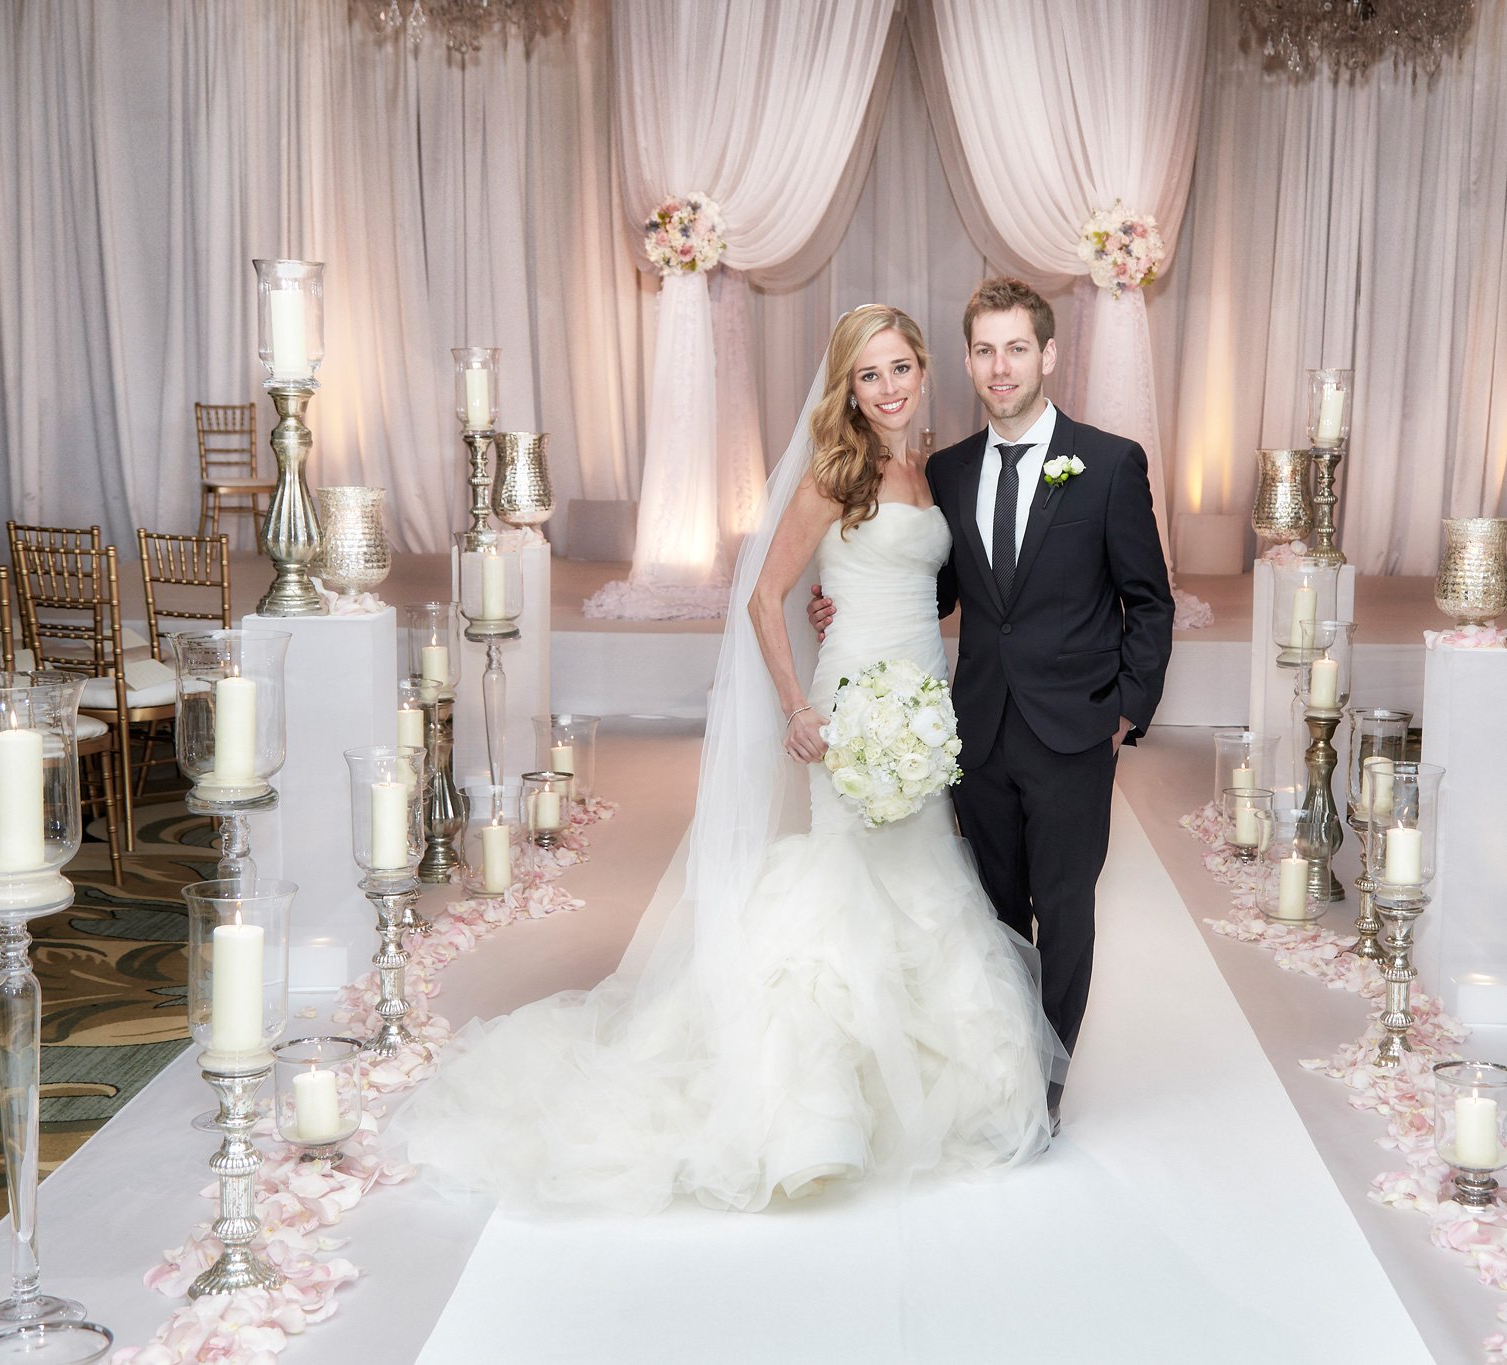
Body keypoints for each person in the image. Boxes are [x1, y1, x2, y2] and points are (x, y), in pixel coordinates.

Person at [392, 305, 1062, 1214]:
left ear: (923, 368)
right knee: (842, 884)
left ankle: (937, 1090)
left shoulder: (932, 467)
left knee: (927, 883)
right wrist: (798, 706)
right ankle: (817, 1115)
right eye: (869, 375)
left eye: (900, 367)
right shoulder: (834, 472)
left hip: (924, 708)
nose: (890, 387)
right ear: (848, 387)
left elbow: (936, 584)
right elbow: (763, 597)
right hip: (850, 709)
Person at [810, 279, 1174, 1129]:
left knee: (1066, 907)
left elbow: (1148, 601)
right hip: (972, 728)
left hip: (1072, 726)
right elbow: (936, 584)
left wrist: (1127, 705)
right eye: (984, 350)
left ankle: (1044, 1086)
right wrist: (842, 600)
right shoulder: (947, 468)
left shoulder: (1109, 462)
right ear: (967, 360)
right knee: (993, 910)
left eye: (1017, 348)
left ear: (1048, 355)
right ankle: (1004, 1063)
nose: (1000, 366)